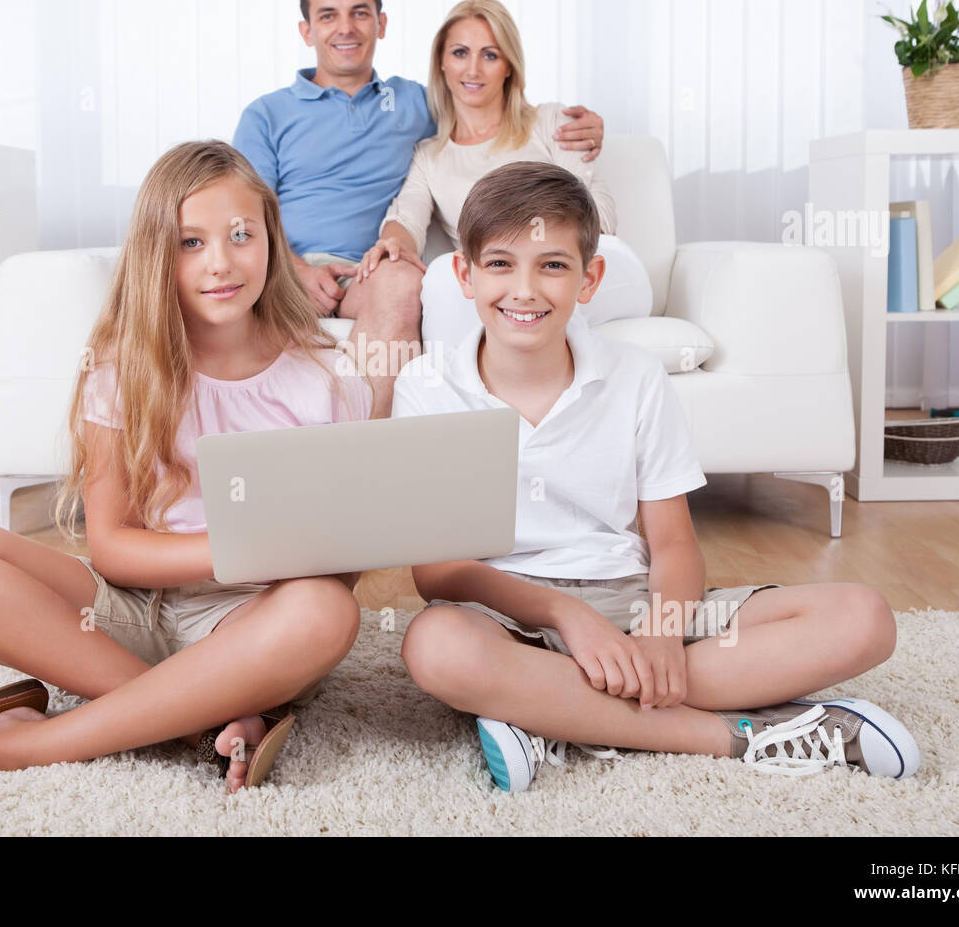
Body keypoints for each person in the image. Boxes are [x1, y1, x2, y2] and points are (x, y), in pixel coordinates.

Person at [0, 141, 372, 794]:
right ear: (156, 255)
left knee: (325, 612)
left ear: (271, 239)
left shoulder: (326, 377)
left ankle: (18, 746)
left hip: (251, 626)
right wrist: (239, 548)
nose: (223, 262)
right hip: (126, 616)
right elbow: (113, 550)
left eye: (241, 236)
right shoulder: (122, 371)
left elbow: (343, 561)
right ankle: (191, 718)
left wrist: (309, 553)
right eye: (191, 243)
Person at [391, 161, 919, 792]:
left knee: (863, 618)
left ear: (590, 280)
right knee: (435, 646)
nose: (524, 290)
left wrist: (664, 635)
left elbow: (671, 543)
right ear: (464, 275)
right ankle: (735, 735)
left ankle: (549, 712)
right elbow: (437, 574)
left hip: (632, 600)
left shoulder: (636, 376)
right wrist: (564, 615)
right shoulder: (427, 385)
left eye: (553, 265)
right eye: (500, 264)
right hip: (503, 613)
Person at [233, 0, 605, 418]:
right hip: (283, 269)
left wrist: (583, 128)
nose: (345, 28)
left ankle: (377, 450)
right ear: (306, 31)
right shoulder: (266, 115)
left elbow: (479, 108)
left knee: (401, 279)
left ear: (381, 23)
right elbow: (245, 212)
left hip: (364, 274)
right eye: (328, 15)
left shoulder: (415, 103)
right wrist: (295, 273)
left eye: (360, 13)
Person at [361, 0, 653, 352]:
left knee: (523, 290)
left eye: (490, 55)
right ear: (441, 62)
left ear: (509, 66)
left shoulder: (552, 123)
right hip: (501, 283)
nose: (473, 70)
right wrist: (393, 244)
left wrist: (534, 250)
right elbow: (405, 218)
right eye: (459, 53)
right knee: (443, 277)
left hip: (585, 267)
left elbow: (602, 220)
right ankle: (472, 402)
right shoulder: (430, 155)